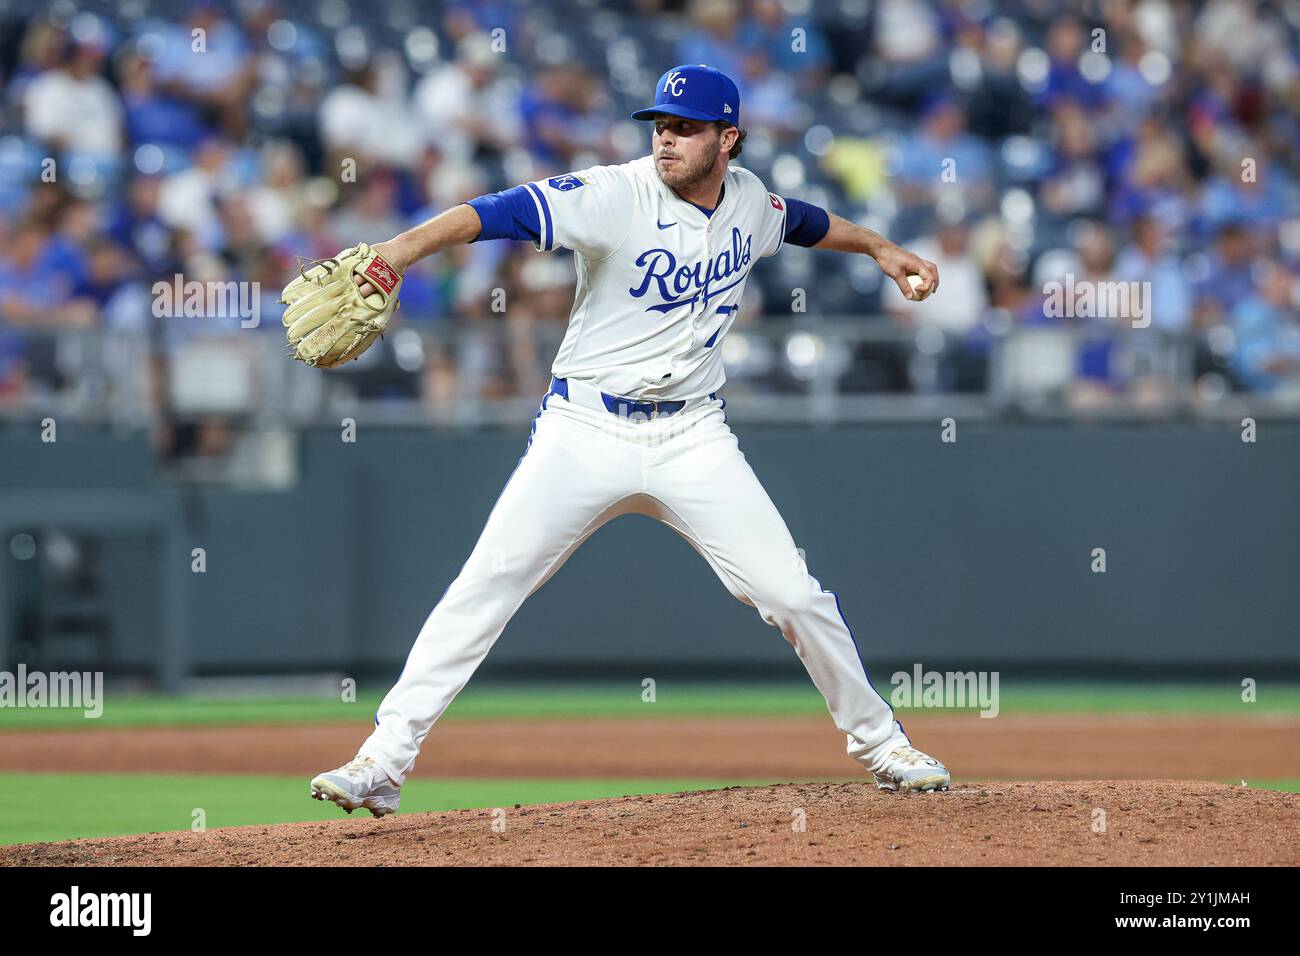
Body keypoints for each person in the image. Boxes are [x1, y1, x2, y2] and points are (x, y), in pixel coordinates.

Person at [309, 65, 948, 817]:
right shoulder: (616, 194)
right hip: (584, 429)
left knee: (793, 595)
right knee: (488, 583)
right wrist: (397, 250)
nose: (666, 139)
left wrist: (880, 249)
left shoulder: (748, 203)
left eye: (685, 127)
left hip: (693, 434)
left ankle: (882, 744)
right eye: (661, 124)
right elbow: (496, 212)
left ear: (728, 138)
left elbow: (805, 220)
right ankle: (383, 760)